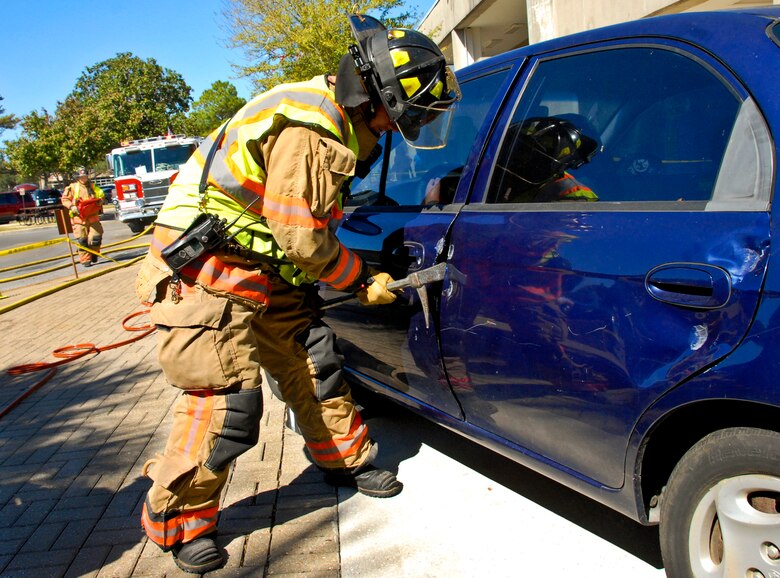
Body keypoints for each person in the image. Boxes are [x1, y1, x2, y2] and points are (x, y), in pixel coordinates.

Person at [133, 13, 460, 574]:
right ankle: (178, 522)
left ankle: (342, 459)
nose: (403, 128)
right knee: (225, 405)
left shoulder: (332, 116)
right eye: (407, 115)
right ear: (375, 99)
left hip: (264, 265)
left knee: (314, 362)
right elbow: (301, 234)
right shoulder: (314, 131)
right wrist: (360, 279)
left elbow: (296, 230)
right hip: (206, 270)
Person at [493, 115, 600, 203]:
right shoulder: (494, 174)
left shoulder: (574, 196)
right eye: (517, 149)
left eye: (527, 154)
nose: (518, 159)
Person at [60, 168, 105, 267]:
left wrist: (100, 201)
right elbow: (65, 199)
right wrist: (72, 207)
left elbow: (101, 195)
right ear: (77, 178)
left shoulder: (93, 186)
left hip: (93, 218)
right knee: (82, 241)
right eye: (81, 177)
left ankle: (94, 253)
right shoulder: (72, 188)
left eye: (85, 176)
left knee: (96, 238)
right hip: (79, 219)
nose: (83, 178)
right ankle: (85, 260)